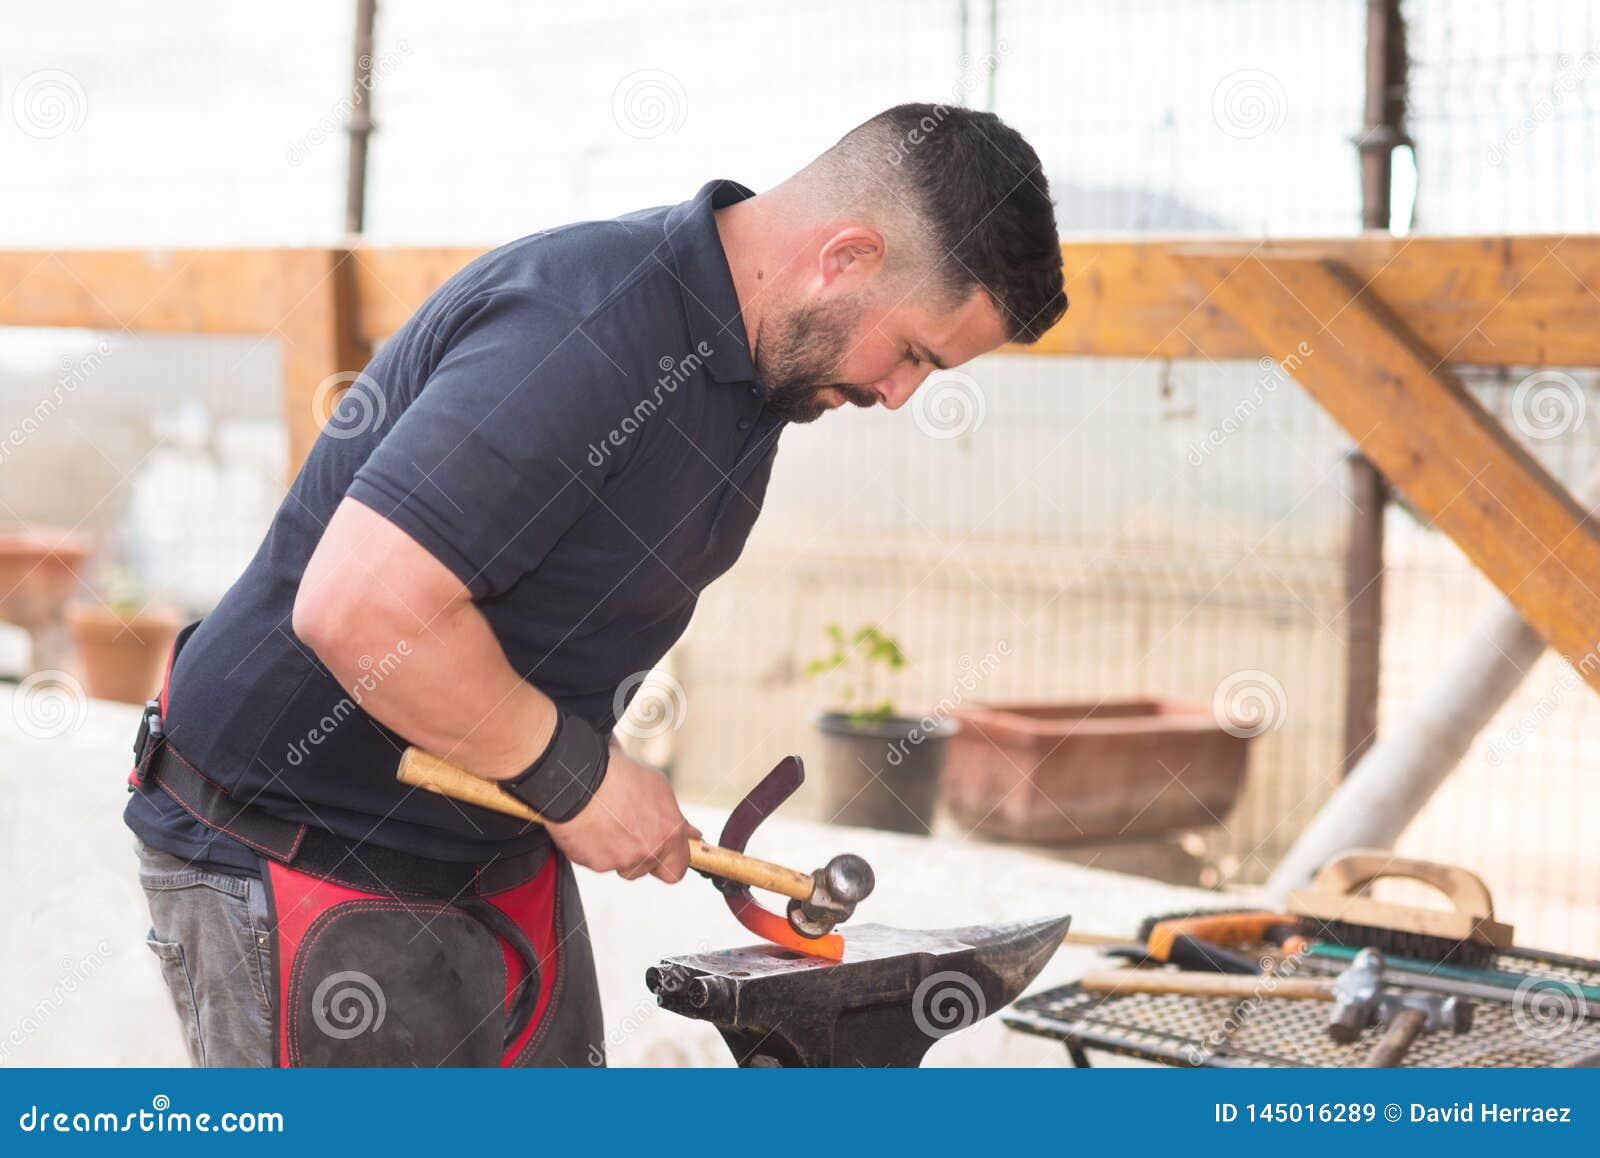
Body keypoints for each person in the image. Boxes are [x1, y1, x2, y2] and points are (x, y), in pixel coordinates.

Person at [126, 102, 1068, 1066]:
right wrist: (576, 777)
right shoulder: (589, 326)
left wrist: (588, 780)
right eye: (913, 352)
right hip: (298, 838)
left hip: (491, 836)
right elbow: (361, 608)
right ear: (848, 256)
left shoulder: (756, 378)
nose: (900, 395)